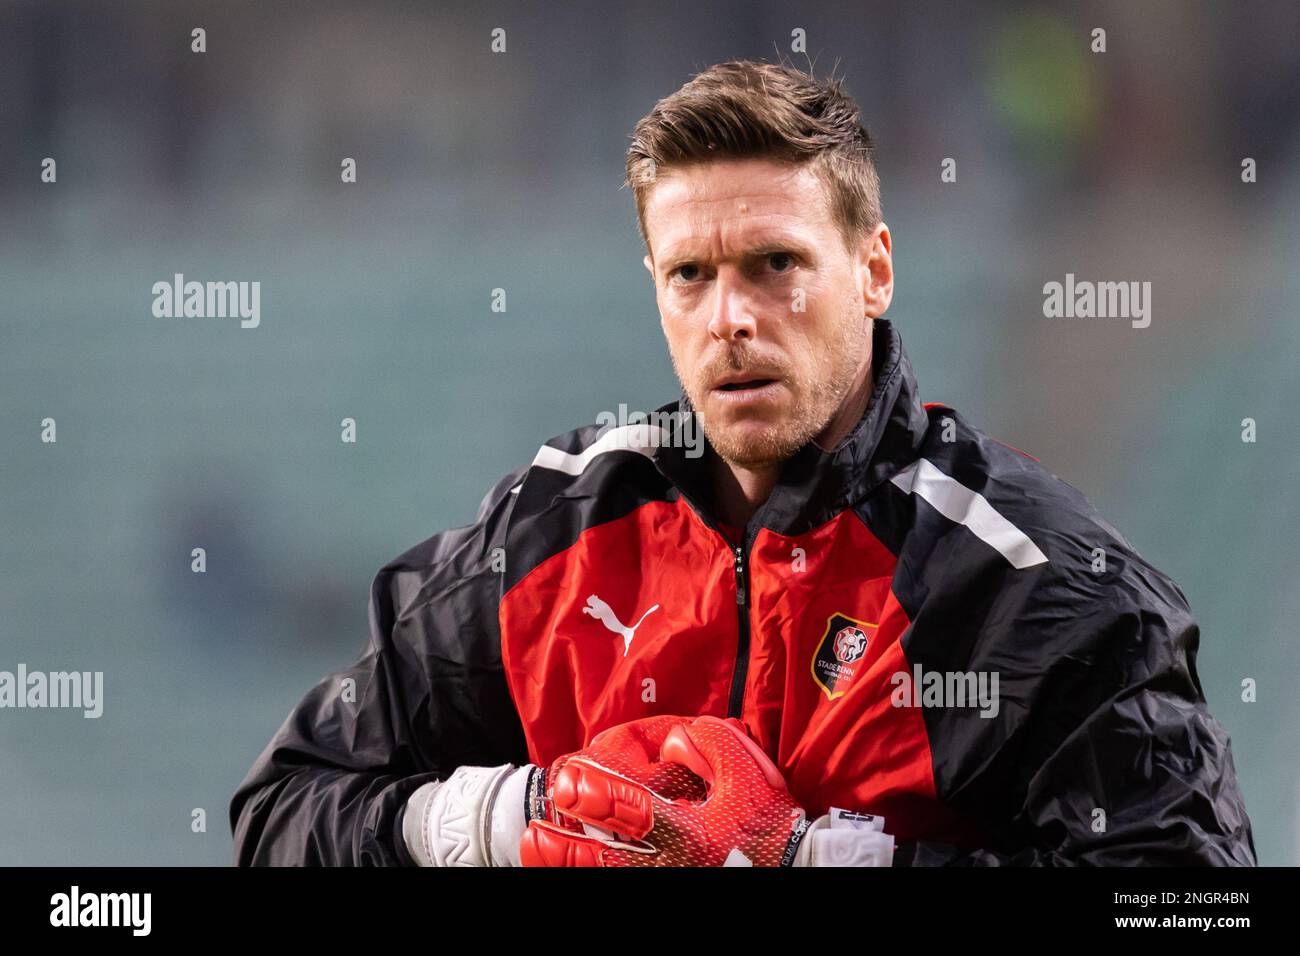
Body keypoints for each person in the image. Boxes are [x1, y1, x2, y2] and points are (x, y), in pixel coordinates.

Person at [230, 59, 1255, 867]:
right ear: (655, 288)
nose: (730, 317)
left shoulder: (1031, 592)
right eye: (691, 274)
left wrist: (812, 857)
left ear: (873, 268)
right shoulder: (551, 534)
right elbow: (281, 809)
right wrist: (514, 819)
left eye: (775, 265)